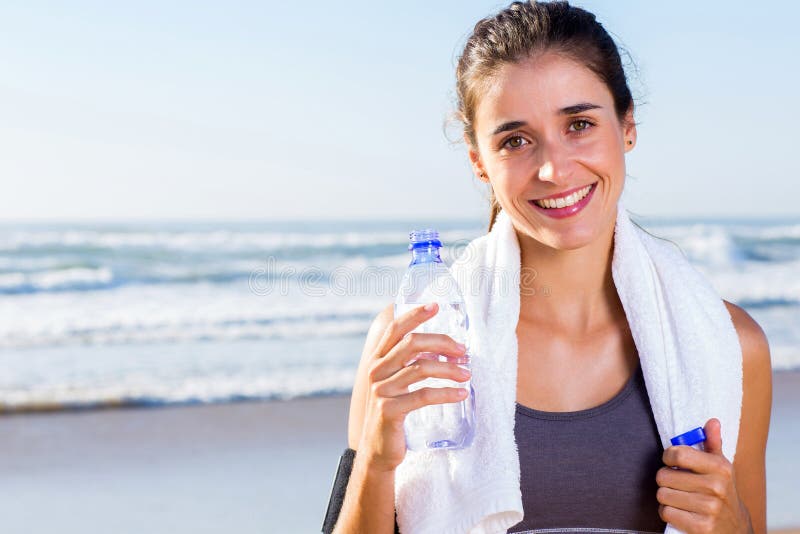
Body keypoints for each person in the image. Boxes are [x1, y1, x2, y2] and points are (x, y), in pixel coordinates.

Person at [325, 1, 772, 533]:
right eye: (515, 140)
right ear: (478, 161)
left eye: (579, 124)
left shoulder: (731, 345)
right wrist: (376, 463)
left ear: (627, 125)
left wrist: (732, 525)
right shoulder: (411, 346)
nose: (554, 170)